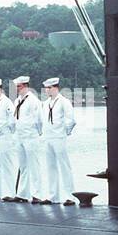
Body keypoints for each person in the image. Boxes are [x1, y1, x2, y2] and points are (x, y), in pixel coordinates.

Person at [41, 77, 77, 206]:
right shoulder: (45, 104)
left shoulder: (64, 102)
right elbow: (43, 121)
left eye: (49, 88)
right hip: (48, 138)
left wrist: (64, 132)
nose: (47, 90)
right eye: (46, 88)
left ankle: (70, 196)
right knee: (51, 167)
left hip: (59, 138)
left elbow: (71, 120)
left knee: (64, 167)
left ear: (56, 88)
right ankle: (53, 196)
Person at [12, 75, 43, 202]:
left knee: (34, 166)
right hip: (19, 136)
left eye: (18, 86)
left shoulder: (33, 100)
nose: (17, 89)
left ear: (25, 86)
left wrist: (37, 133)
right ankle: (23, 194)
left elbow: (39, 119)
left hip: (30, 136)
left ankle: (37, 194)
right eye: (16, 87)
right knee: (23, 166)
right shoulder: (17, 101)